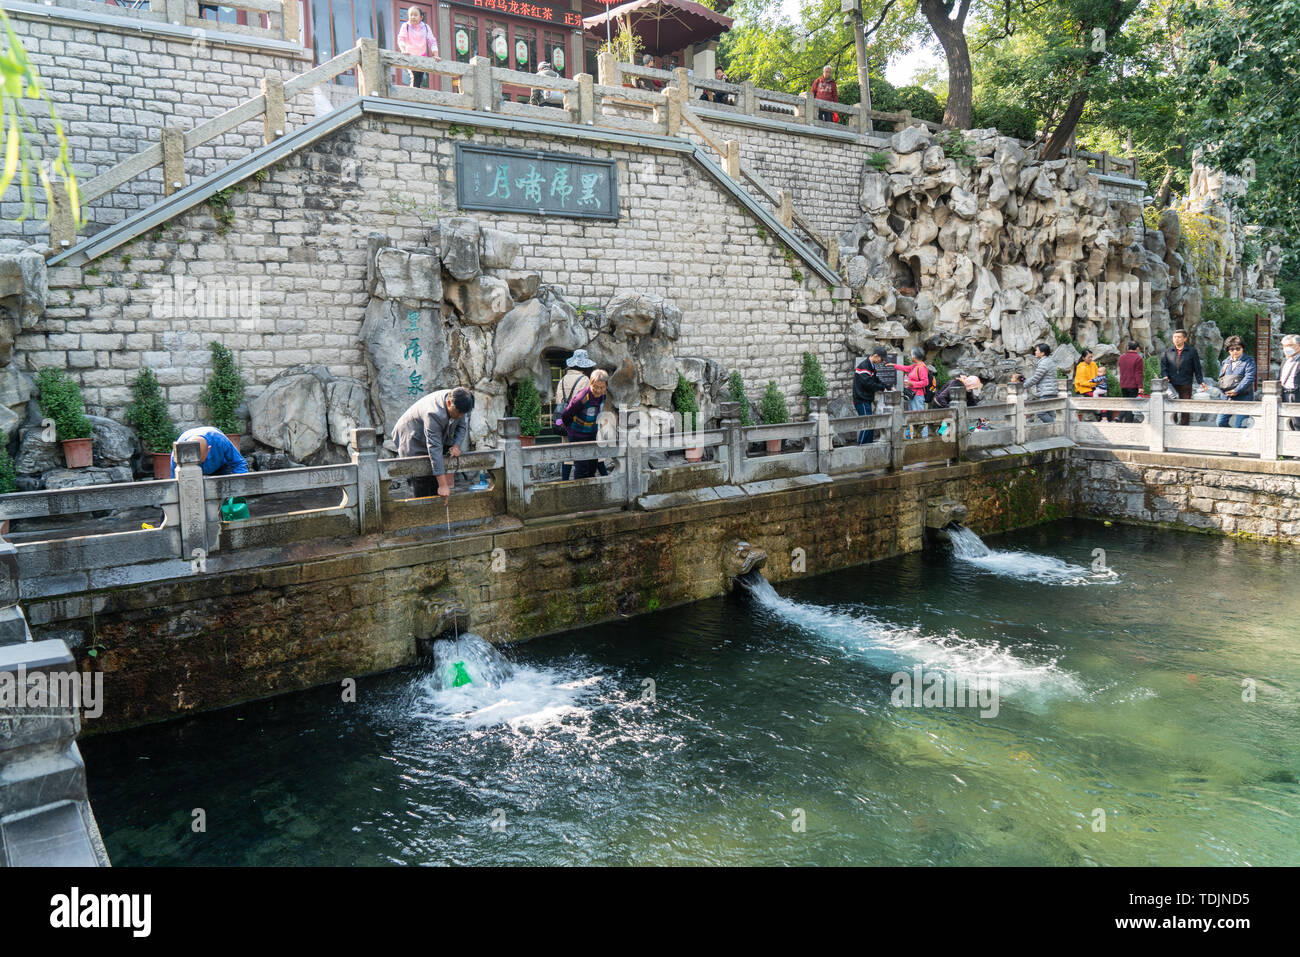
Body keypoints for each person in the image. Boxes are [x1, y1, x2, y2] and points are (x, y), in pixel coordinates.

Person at [393, 387, 473, 498]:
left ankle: (437, 510)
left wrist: (456, 445)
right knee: (421, 478)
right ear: (449, 403)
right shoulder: (433, 413)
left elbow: (462, 427)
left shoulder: (459, 401)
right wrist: (443, 485)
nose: (460, 416)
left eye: (463, 414)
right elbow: (434, 448)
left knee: (435, 479)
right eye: (459, 413)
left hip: (432, 438)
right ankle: (423, 511)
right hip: (412, 438)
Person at [555, 349, 596, 480]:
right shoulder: (584, 379)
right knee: (581, 454)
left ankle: (564, 481)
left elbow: (558, 401)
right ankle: (581, 484)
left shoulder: (562, 380)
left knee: (567, 452)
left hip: (564, 420)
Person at [560, 369, 609, 478]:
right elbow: (566, 414)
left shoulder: (603, 396)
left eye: (602, 387)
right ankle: (581, 493)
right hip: (577, 435)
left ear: (606, 386)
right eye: (595, 387)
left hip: (592, 434)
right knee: (582, 468)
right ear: (591, 384)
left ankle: (591, 492)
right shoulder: (582, 397)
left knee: (592, 465)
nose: (598, 390)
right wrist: (571, 429)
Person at [1160, 328, 1207, 426]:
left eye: (1179, 337)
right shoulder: (1169, 351)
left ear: (1185, 339)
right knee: (1172, 405)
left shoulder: (1191, 351)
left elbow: (1197, 367)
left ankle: (1184, 426)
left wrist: (1200, 381)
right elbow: (1164, 365)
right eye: (1175, 337)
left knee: (1185, 405)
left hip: (1186, 382)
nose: (1176, 339)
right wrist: (1165, 376)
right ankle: (1173, 423)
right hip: (1171, 383)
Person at [169, 426, 248, 477]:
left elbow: (239, 463)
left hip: (222, 468)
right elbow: (175, 476)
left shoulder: (219, 440)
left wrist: (238, 487)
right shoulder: (180, 447)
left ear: (209, 449)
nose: (200, 463)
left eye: (201, 460)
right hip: (191, 473)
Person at [1215, 335, 1256, 430]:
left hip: (1244, 397)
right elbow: (1221, 378)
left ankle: (1240, 442)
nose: (1235, 351)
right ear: (1228, 350)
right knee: (1220, 422)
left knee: (1240, 425)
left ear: (1242, 348)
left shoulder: (1249, 361)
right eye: (1232, 349)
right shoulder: (1225, 362)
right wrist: (1223, 392)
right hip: (1227, 397)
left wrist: (1236, 390)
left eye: (1238, 348)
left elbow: (1249, 378)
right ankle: (1232, 437)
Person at [852, 346, 891, 444]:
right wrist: (882, 388)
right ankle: (861, 448)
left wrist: (888, 387)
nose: (882, 362)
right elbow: (868, 384)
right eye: (881, 359)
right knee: (867, 425)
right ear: (876, 356)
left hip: (866, 399)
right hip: (861, 399)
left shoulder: (871, 367)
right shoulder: (864, 367)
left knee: (870, 425)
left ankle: (868, 447)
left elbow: (876, 380)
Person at [892, 347, 931, 437]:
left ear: (915, 357)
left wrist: (911, 383)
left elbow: (925, 382)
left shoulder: (922, 367)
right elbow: (906, 368)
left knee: (919, 417)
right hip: (913, 396)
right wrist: (893, 365)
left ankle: (923, 436)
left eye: (911, 355)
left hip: (918, 396)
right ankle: (915, 435)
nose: (910, 356)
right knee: (914, 416)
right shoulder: (915, 366)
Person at [397, 6, 438, 89]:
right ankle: (412, 96)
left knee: (419, 78)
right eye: (410, 15)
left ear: (421, 17)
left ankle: (414, 95)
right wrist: (403, 50)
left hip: (422, 55)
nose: (413, 17)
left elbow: (432, 41)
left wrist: (436, 54)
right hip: (409, 55)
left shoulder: (426, 27)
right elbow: (401, 38)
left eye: (415, 15)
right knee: (414, 75)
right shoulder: (406, 26)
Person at [1024, 342, 1059, 422]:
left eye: (1037, 350)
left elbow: (1036, 378)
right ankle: (1054, 431)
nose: (1035, 352)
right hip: (1050, 391)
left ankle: (1056, 427)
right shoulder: (1048, 361)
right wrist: (1026, 381)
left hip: (1046, 392)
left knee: (1041, 413)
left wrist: (1024, 385)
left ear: (1042, 353)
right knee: (1050, 413)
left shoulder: (1044, 363)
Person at [1072, 348, 1111, 421]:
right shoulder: (1081, 367)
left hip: (1093, 387)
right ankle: (1102, 415)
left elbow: (1098, 374)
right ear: (1083, 358)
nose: (1090, 358)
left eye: (1091, 357)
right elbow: (1082, 382)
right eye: (1089, 357)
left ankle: (1102, 415)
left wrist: (1101, 379)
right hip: (1083, 389)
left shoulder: (1093, 364)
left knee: (1105, 395)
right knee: (1101, 398)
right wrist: (1095, 383)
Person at [1117, 341, 1143, 423]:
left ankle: (1120, 417)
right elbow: (1138, 374)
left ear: (1128, 348)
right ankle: (1128, 422)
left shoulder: (1122, 357)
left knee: (1126, 402)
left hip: (1124, 384)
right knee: (1132, 404)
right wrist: (1140, 386)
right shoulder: (1138, 358)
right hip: (1133, 384)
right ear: (1137, 348)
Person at [1280, 334, 1300, 434]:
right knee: (1287, 424)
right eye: (1284, 346)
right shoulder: (1285, 361)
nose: (1286, 348)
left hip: (1297, 394)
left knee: (1298, 424)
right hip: (1284, 394)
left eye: (1290, 345)